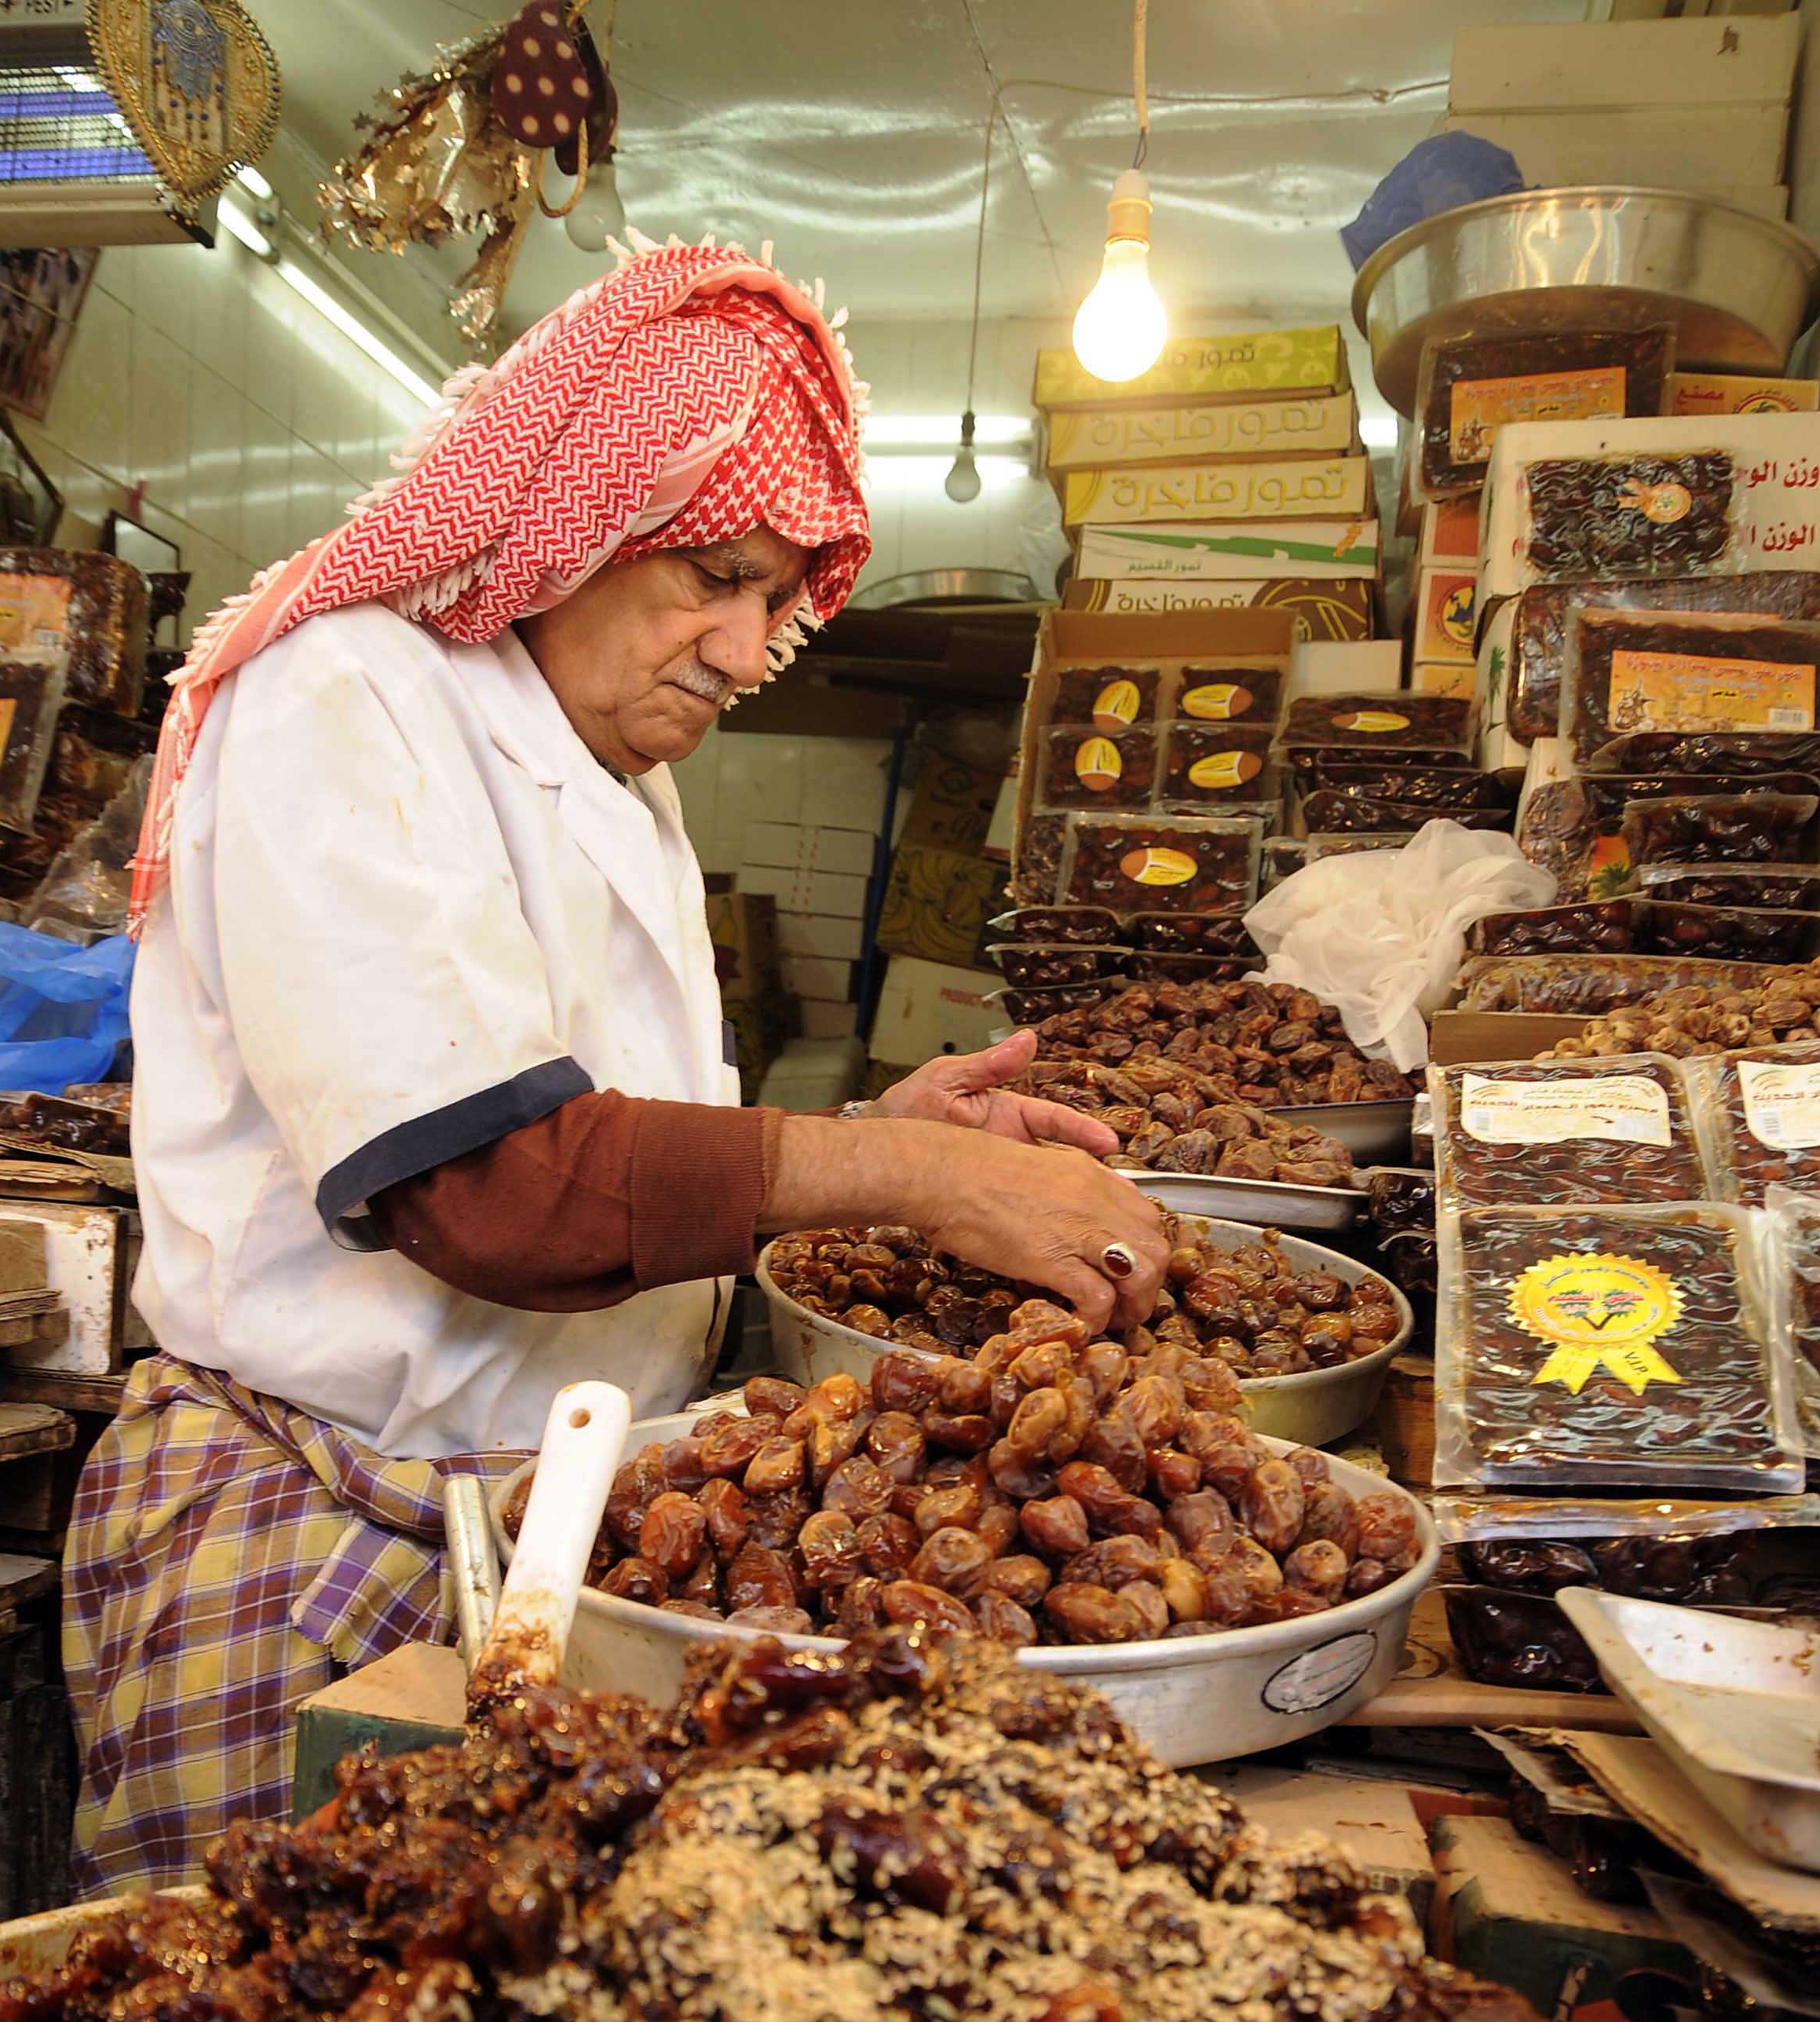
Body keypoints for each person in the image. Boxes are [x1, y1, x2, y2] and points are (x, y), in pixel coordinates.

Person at [64, 240, 1168, 1889]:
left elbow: (601, 1132)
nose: (745, 650)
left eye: (777, 601)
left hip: (557, 1528)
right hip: (321, 1536)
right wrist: (925, 1180)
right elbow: (490, 1187)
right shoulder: (345, 697)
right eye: (712, 578)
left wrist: (872, 1128)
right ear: (574, 527)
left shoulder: (608, 766)